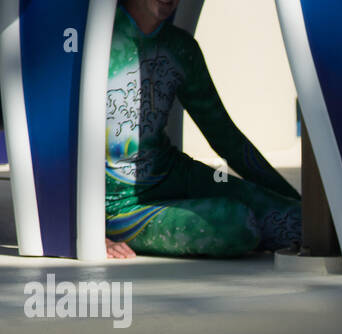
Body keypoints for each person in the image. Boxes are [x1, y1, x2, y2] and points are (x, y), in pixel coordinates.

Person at [104, 0, 302, 259]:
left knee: (300, 224)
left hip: (174, 176)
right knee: (237, 225)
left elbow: (226, 139)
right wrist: (92, 232)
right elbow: (51, 144)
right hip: (119, 207)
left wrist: (294, 200)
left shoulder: (181, 48)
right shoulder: (95, 43)